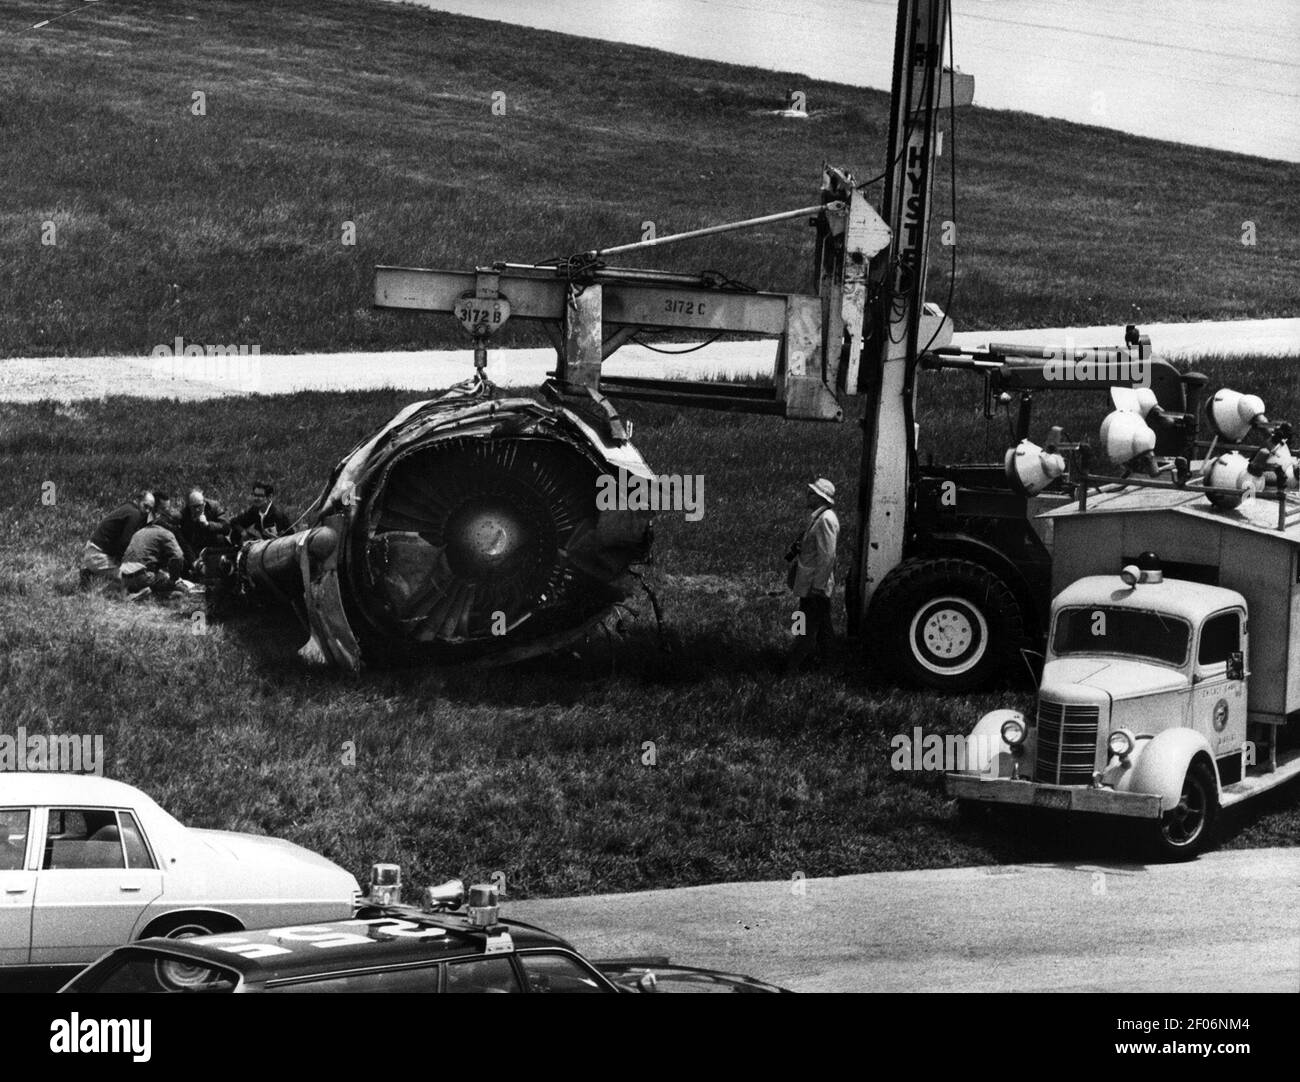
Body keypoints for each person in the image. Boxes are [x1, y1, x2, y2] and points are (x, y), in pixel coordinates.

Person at [786, 477, 840, 672]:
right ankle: (830, 663)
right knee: (823, 625)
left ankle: (793, 664)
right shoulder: (817, 517)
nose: (807, 496)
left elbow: (828, 556)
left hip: (814, 586)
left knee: (807, 626)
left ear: (820, 498)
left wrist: (818, 586)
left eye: (811, 494)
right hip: (810, 584)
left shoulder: (826, 520)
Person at [80, 489, 155, 588]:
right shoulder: (135, 514)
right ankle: (106, 588)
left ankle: (91, 574)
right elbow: (125, 542)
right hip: (99, 556)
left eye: (150, 509)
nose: (147, 511)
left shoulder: (128, 507)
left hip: (93, 552)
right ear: (138, 501)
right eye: (145, 506)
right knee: (135, 579)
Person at [119, 502, 187, 600]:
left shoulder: (141, 531)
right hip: (142, 577)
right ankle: (151, 594)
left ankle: (136, 592)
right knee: (179, 589)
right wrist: (174, 579)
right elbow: (178, 557)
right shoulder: (166, 534)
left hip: (124, 577)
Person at [176, 488, 231, 571]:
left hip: (216, 545)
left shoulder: (214, 506)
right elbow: (184, 541)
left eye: (200, 506)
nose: (197, 509)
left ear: (204, 503)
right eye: (194, 507)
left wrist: (208, 524)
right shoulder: (184, 515)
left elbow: (226, 527)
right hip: (197, 549)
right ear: (189, 506)